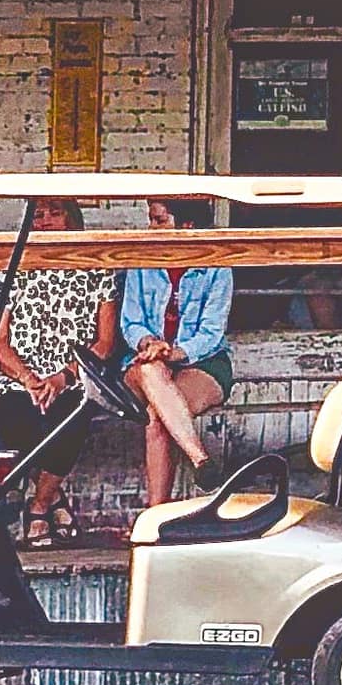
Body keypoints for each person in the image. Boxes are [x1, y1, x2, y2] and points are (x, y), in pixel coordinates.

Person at [99, 205, 234, 515]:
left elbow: (212, 332)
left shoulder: (216, 266)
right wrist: (150, 344)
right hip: (144, 360)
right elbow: (131, 321)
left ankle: (154, 517)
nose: (151, 227)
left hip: (201, 360)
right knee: (151, 369)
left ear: (187, 225)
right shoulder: (143, 261)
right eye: (151, 219)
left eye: (159, 220)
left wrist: (175, 352)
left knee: (159, 415)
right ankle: (200, 458)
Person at [0, 198, 98, 540]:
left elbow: (105, 343)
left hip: (73, 377)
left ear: (72, 219)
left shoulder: (95, 269)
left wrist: (63, 377)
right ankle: (54, 499)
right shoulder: (15, 269)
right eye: (38, 215)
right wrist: (29, 379)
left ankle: (37, 506)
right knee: (20, 419)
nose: (46, 220)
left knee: (71, 419)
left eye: (55, 213)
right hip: (17, 380)